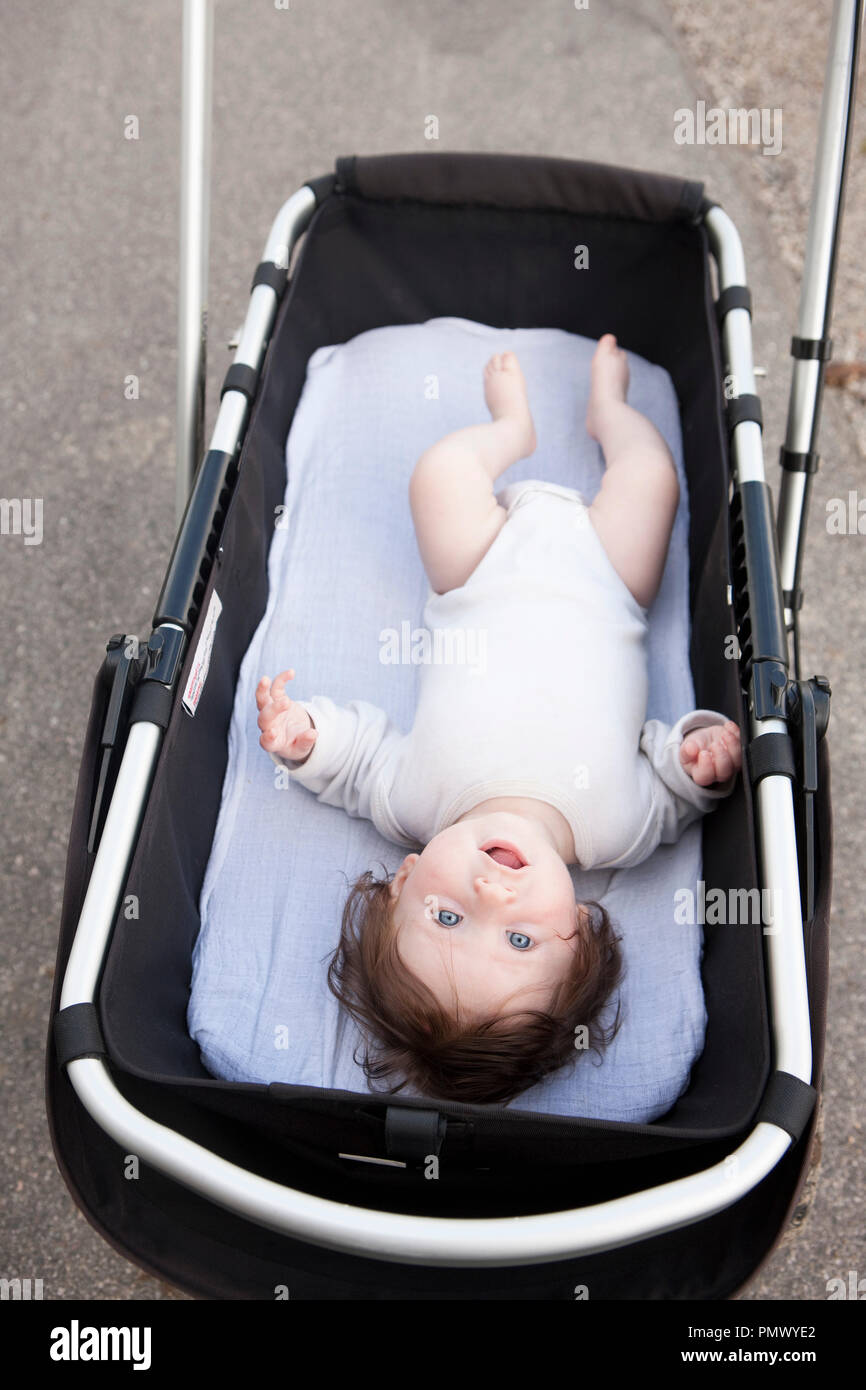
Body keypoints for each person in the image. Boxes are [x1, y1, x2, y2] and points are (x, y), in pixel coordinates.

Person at [256, 336, 742, 1104]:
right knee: (652, 480)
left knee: (439, 477)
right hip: (607, 579)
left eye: (445, 916)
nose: (489, 896)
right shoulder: (614, 830)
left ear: (406, 879)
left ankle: (509, 430)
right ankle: (610, 414)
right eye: (519, 940)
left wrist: (304, 741)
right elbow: (676, 785)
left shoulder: (418, 804)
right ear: (578, 932)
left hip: (477, 570)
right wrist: (702, 757)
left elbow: (356, 765)